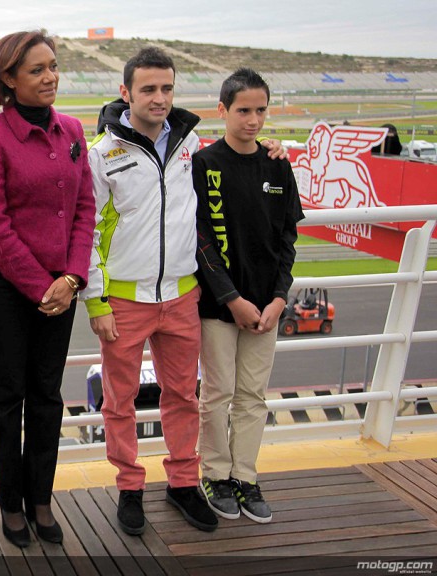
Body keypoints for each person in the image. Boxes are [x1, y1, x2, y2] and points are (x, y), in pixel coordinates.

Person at [81, 47, 287, 537]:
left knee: (183, 396)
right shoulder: (101, 155)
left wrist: (275, 148)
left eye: (167, 88)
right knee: (119, 401)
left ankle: (181, 484)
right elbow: (84, 230)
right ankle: (130, 487)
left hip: (183, 298)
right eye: (148, 89)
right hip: (124, 300)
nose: (159, 98)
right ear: (125, 92)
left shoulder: (192, 145)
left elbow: (238, 152)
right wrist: (95, 300)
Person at [0, 30, 95, 548]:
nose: (51, 77)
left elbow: (85, 209)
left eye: (54, 66)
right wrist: (45, 287)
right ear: (8, 79)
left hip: (60, 287)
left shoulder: (72, 130)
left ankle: (41, 498)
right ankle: (10, 504)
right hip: (7, 289)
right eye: (37, 69)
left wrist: (70, 280)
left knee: (47, 396)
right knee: (8, 395)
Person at [194, 68, 304, 525]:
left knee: (253, 397)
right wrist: (232, 299)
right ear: (222, 111)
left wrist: (279, 300)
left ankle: (245, 477)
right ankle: (215, 475)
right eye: (243, 110)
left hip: (268, 308)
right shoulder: (204, 165)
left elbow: (287, 242)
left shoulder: (279, 165)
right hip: (220, 307)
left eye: (261, 110)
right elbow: (199, 242)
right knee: (217, 394)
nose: (253, 119)